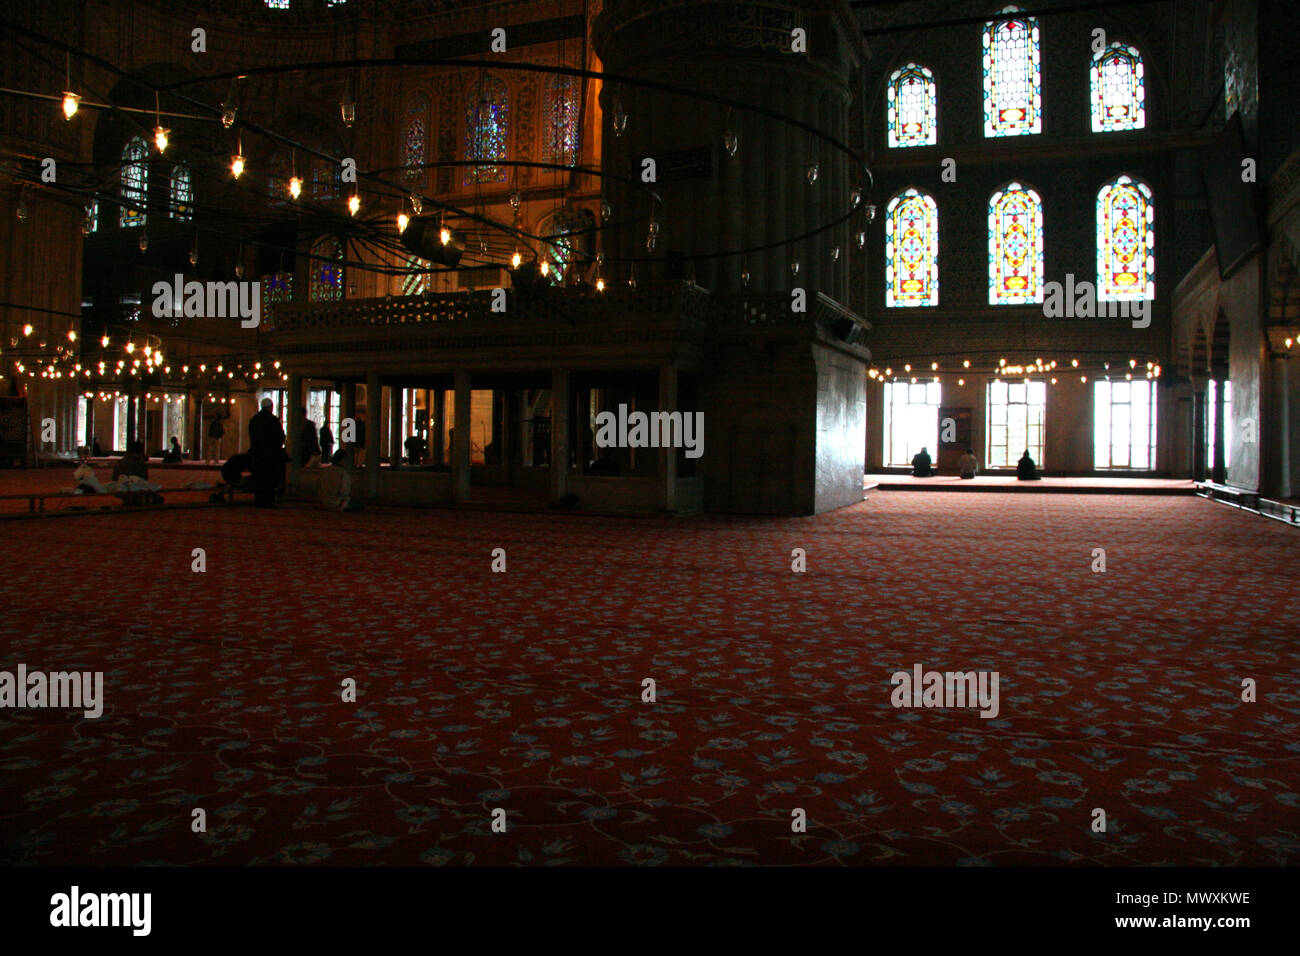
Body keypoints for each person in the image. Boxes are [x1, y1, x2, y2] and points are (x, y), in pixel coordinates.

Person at [249, 397, 286, 508]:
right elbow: (280, 436)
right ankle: (268, 502)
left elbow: (252, 437)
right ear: (270, 407)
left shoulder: (254, 420)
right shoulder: (273, 420)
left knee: (259, 478)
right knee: (269, 479)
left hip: (257, 454)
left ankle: (259, 501)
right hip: (270, 455)